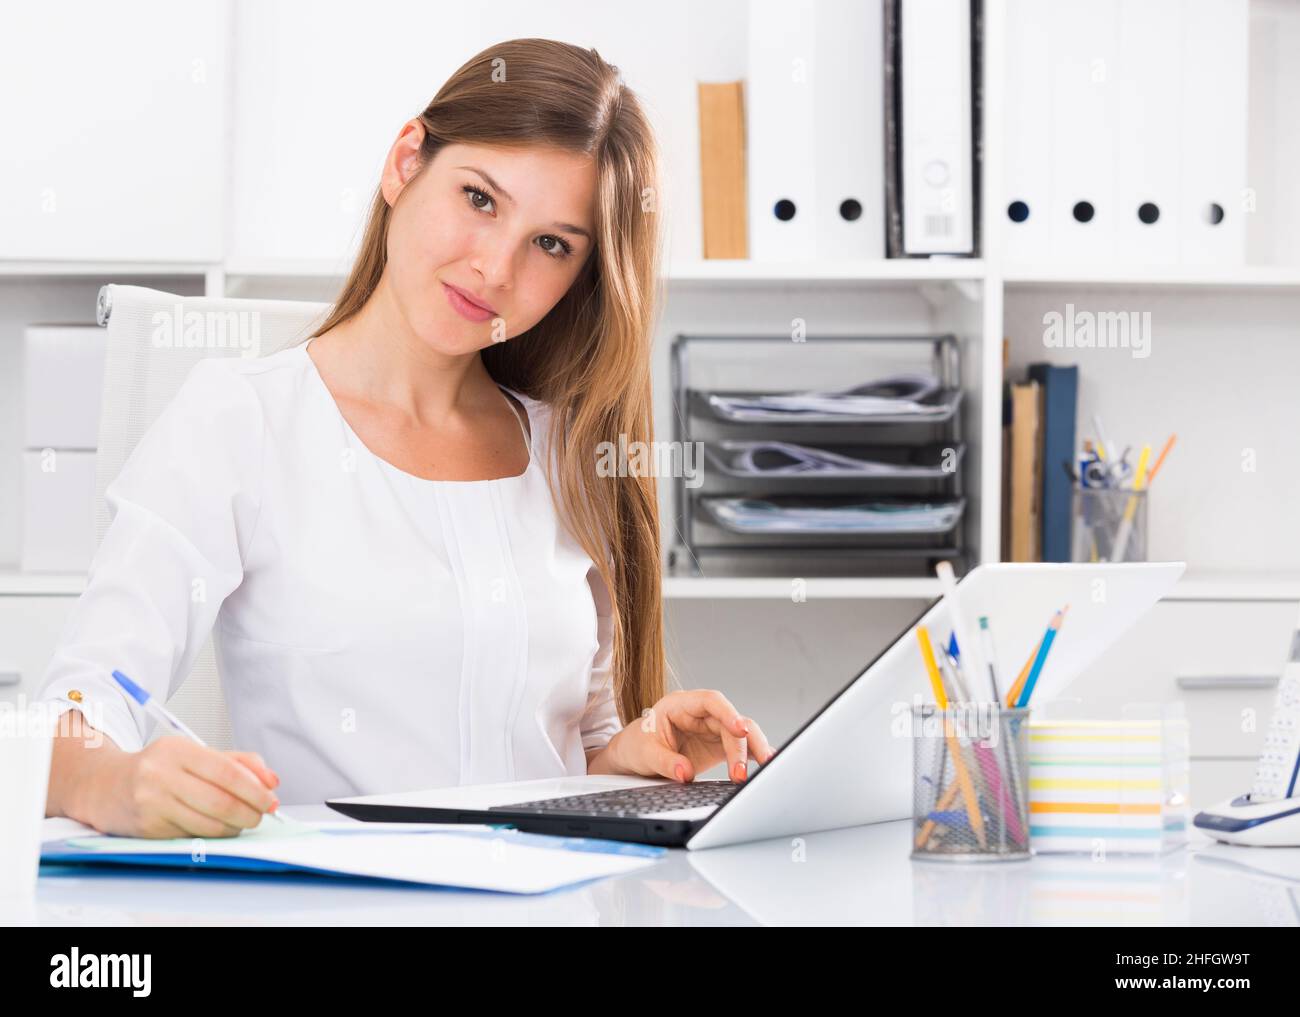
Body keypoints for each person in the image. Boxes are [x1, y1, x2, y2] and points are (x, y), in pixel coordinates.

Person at [39, 37, 773, 839]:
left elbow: (557, 768)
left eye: (552, 243)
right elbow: (74, 713)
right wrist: (110, 779)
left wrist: (630, 762)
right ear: (405, 162)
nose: (495, 267)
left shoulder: (570, 454)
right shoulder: (240, 421)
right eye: (481, 198)